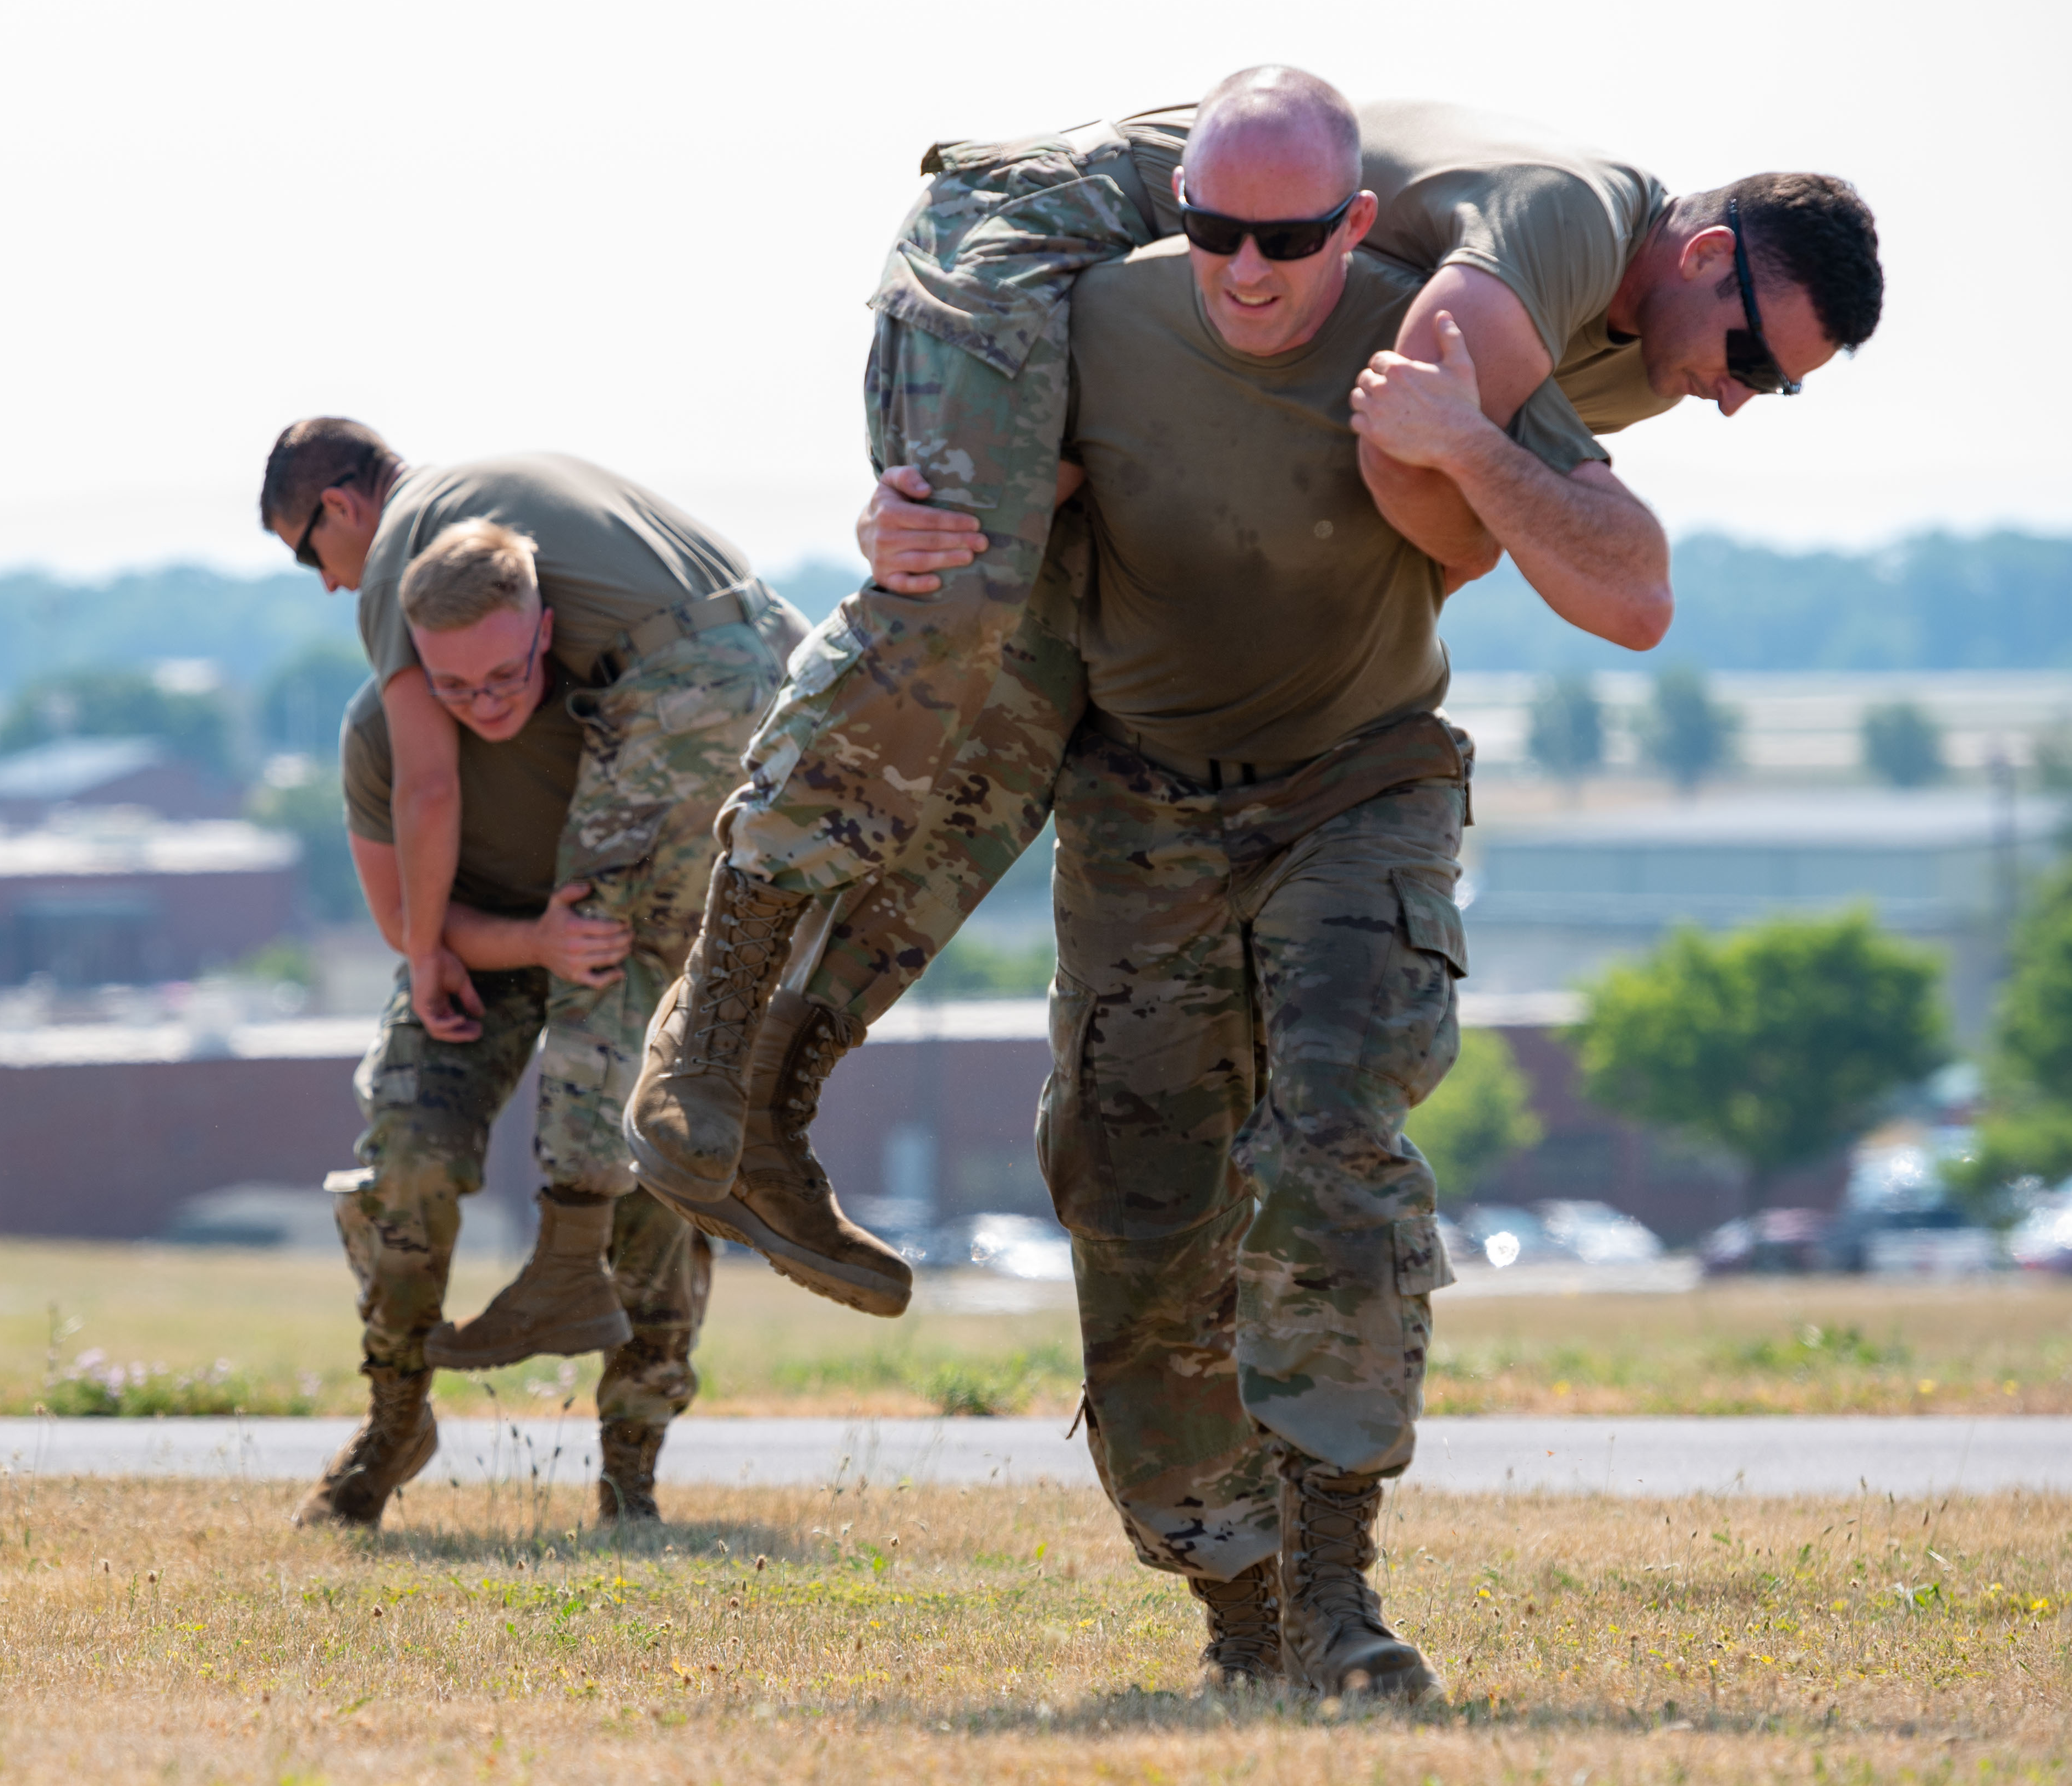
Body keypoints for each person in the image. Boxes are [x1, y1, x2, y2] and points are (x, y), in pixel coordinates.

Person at [622, 87, 1883, 1303]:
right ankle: (703, 1048)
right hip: (1038, 244)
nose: (1735, 399)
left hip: (1148, 358)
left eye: (1772, 390)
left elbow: (1441, 527)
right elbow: (1417, 443)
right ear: (1705, 252)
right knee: (952, 586)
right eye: (1755, 361)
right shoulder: (1562, 219)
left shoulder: (1634, 359)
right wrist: (953, 491)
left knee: (1016, 744)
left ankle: (769, 1112)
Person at [258, 423, 909, 1333]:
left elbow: (429, 783)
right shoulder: (499, 481)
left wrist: (426, 954)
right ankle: (753, 1165)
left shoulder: (410, 547)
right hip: (787, 660)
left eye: (307, 554)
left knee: (594, 942)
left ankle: (569, 1267)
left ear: (338, 505)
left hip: (683, 690)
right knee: (701, 964)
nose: (330, 579)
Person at [295, 520, 718, 1526]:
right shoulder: (377, 737)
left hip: (614, 958)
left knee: (657, 1169)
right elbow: (411, 928)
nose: (485, 704)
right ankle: (394, 1419)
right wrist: (535, 942)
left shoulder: (609, 708)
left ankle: (631, 1471)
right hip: (485, 956)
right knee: (409, 1158)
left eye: (504, 677)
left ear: (546, 633)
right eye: (454, 688)